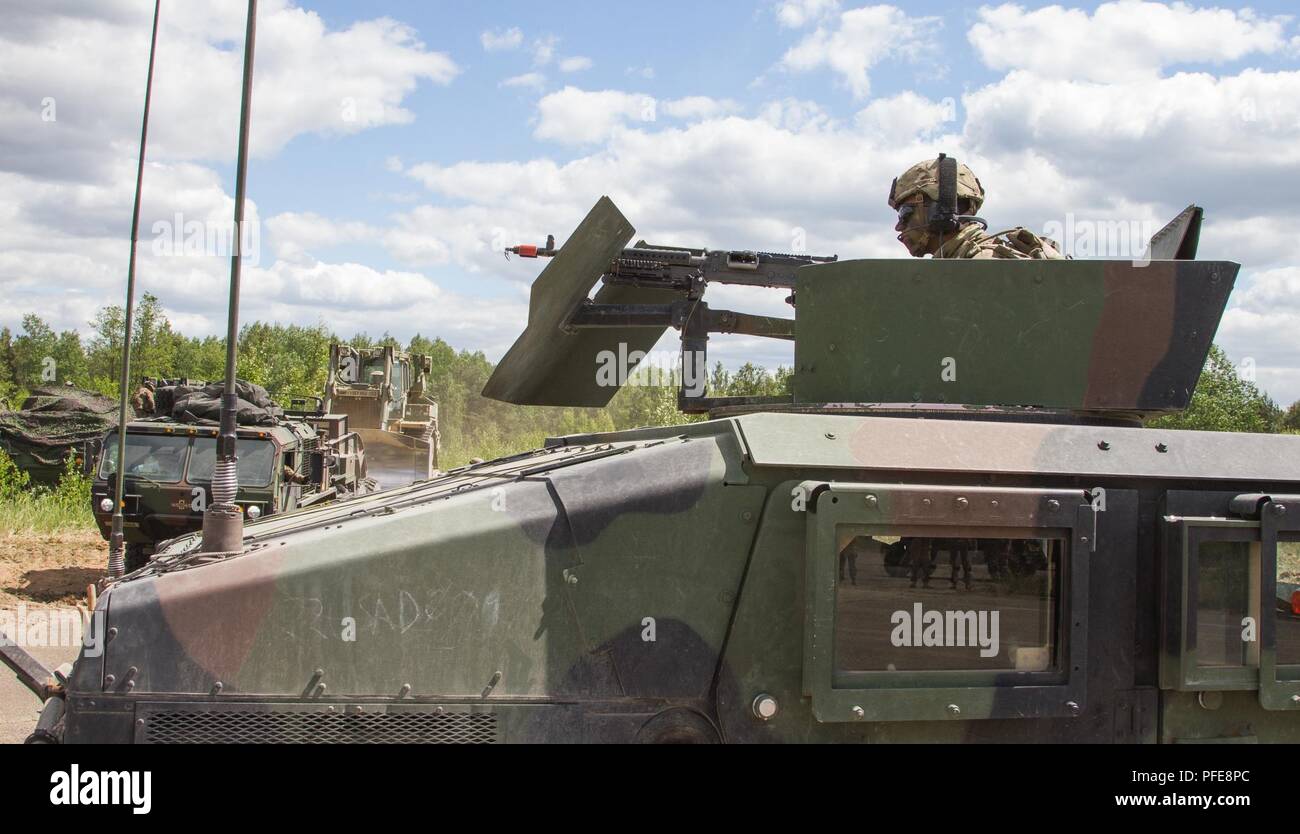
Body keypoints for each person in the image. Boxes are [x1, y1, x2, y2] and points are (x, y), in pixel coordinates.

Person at [888, 154, 1066, 260]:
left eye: (905, 213)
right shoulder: (961, 262)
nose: (899, 226)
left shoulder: (983, 264)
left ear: (940, 208)